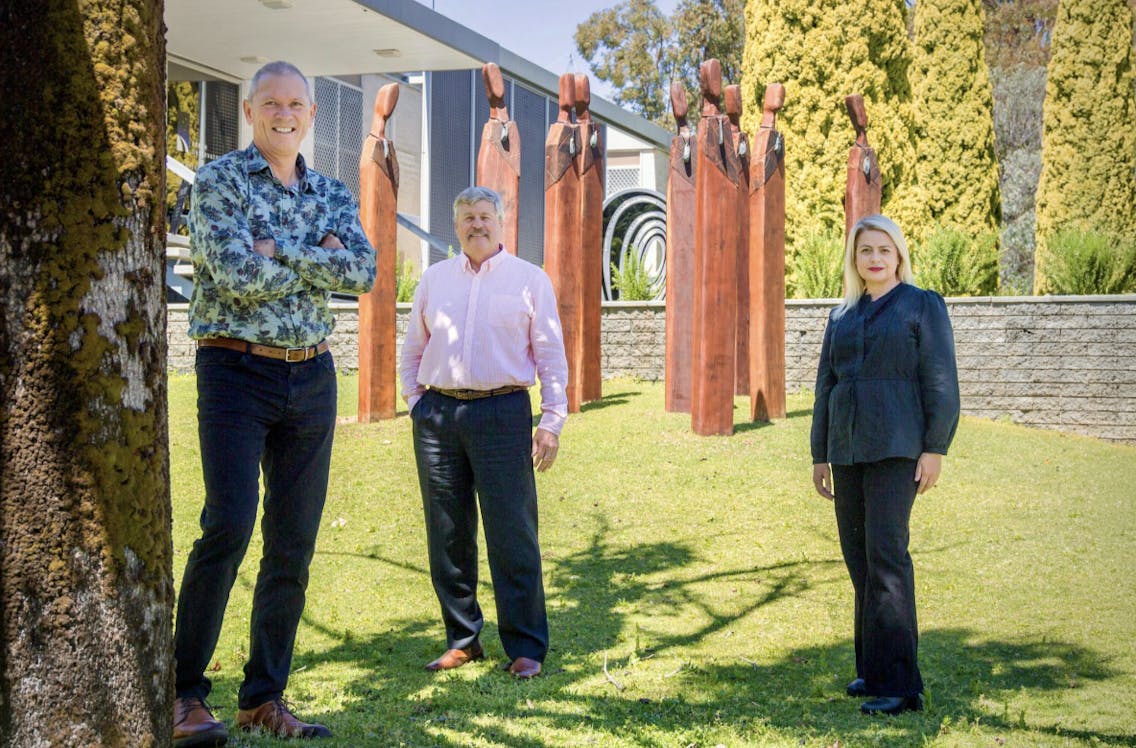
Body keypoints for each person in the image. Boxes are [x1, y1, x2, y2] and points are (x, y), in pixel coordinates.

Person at [173, 61, 376, 746]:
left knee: (292, 544)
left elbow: (363, 270)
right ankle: (183, 694)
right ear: (252, 110)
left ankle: (263, 699)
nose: (283, 113)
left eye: (295, 104)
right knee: (227, 526)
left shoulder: (332, 191)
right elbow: (232, 274)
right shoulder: (220, 182)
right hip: (234, 369)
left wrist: (278, 249)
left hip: (311, 377)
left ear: (311, 115)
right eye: (271, 103)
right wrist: (312, 254)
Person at [400, 186, 568, 680]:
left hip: (503, 414)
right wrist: (417, 406)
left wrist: (552, 421)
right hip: (438, 419)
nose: (477, 224)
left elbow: (552, 358)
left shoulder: (530, 281)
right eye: (467, 217)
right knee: (448, 534)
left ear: (501, 221)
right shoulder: (434, 280)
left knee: (512, 534)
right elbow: (412, 350)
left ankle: (525, 647)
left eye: (485, 216)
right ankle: (463, 640)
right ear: (456, 226)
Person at [810, 214, 960, 716]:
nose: (874, 258)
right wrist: (819, 455)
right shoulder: (841, 317)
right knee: (860, 562)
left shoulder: (921, 306)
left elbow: (940, 379)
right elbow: (825, 388)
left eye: (883, 250)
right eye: (865, 251)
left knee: (887, 558)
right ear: (854, 259)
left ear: (898, 255)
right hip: (847, 451)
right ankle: (873, 671)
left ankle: (901, 686)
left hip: (897, 450)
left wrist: (935, 447)